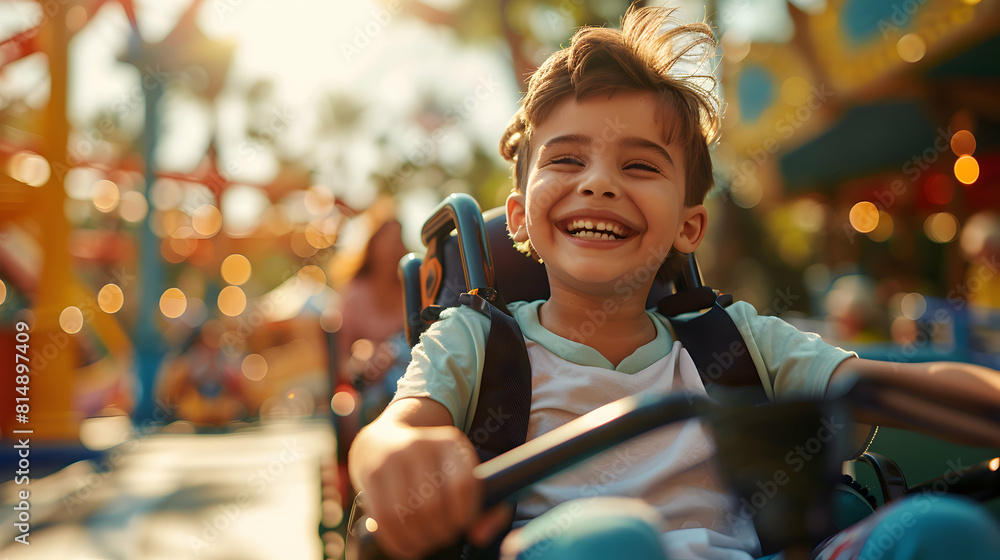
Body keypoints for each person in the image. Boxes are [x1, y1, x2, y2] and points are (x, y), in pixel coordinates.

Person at [348, 6, 1000, 560]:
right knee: (615, 540)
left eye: (639, 166)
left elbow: (895, 385)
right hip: (579, 548)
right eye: (567, 159)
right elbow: (396, 430)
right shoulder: (479, 342)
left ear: (690, 226)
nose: (599, 183)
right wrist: (398, 454)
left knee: (940, 529)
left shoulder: (732, 341)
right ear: (518, 216)